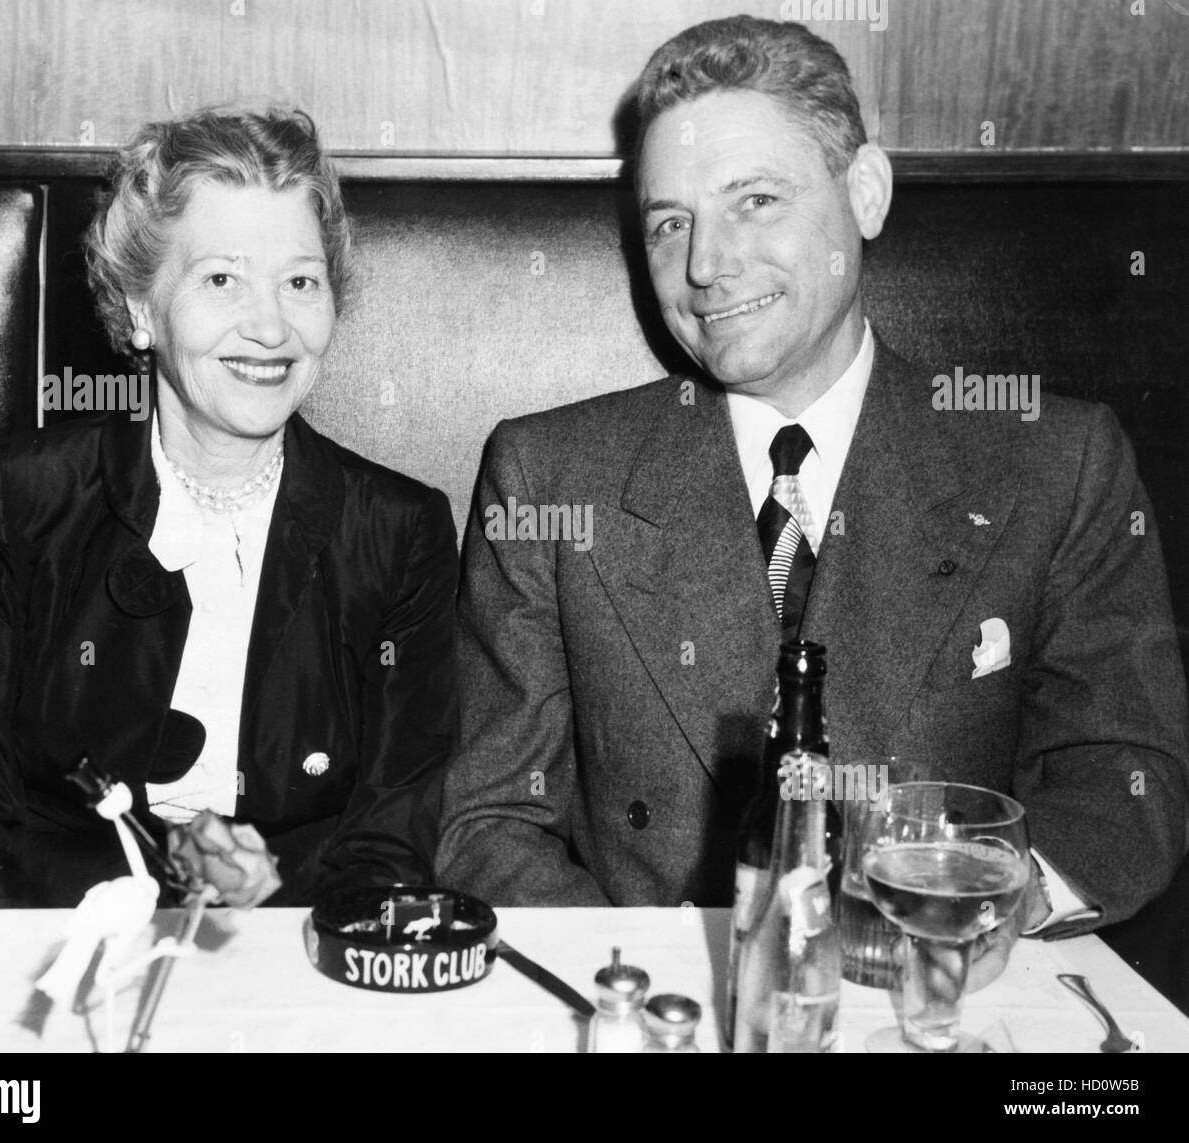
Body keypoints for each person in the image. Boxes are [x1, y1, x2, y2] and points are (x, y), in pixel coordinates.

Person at [436, 17, 1189, 941]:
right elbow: (490, 824)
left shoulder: (1056, 464)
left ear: (864, 193)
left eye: (754, 200)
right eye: (672, 223)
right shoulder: (549, 478)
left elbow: (1126, 778)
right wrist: (673, 994)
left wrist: (988, 897)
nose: (705, 266)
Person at [0, 108, 458, 908]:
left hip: (290, 963)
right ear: (139, 308)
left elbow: (391, 842)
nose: (269, 326)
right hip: (50, 959)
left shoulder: (399, 532)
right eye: (221, 279)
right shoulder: (15, 498)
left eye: (299, 281)